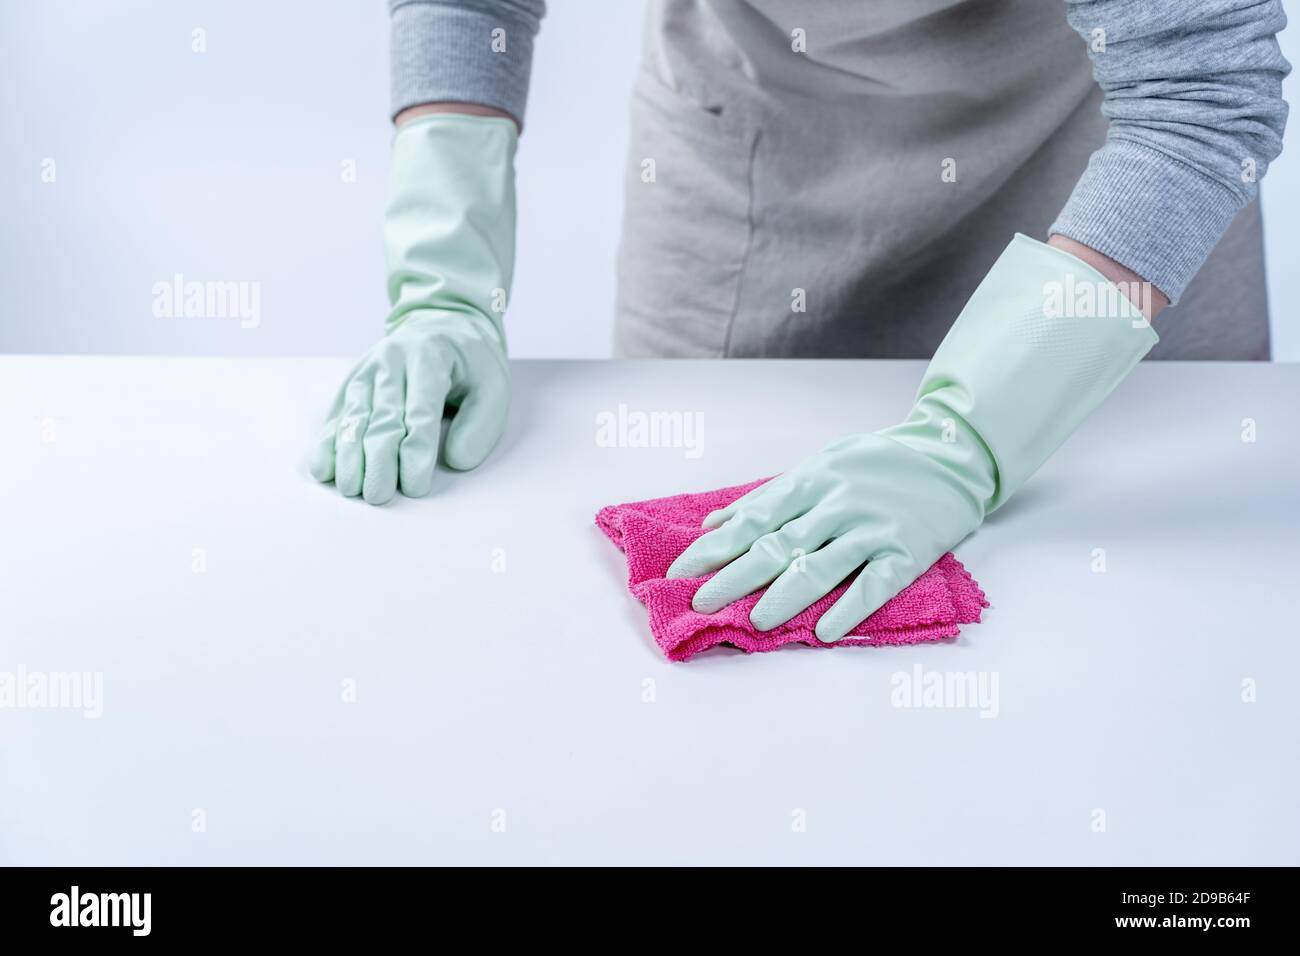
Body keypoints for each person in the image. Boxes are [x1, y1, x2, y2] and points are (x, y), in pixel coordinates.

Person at [311, 0, 1289, 642]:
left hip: (1105, 183)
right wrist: (443, 280)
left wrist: (968, 441)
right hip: (752, 159)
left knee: (1138, 642)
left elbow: (1200, 91)